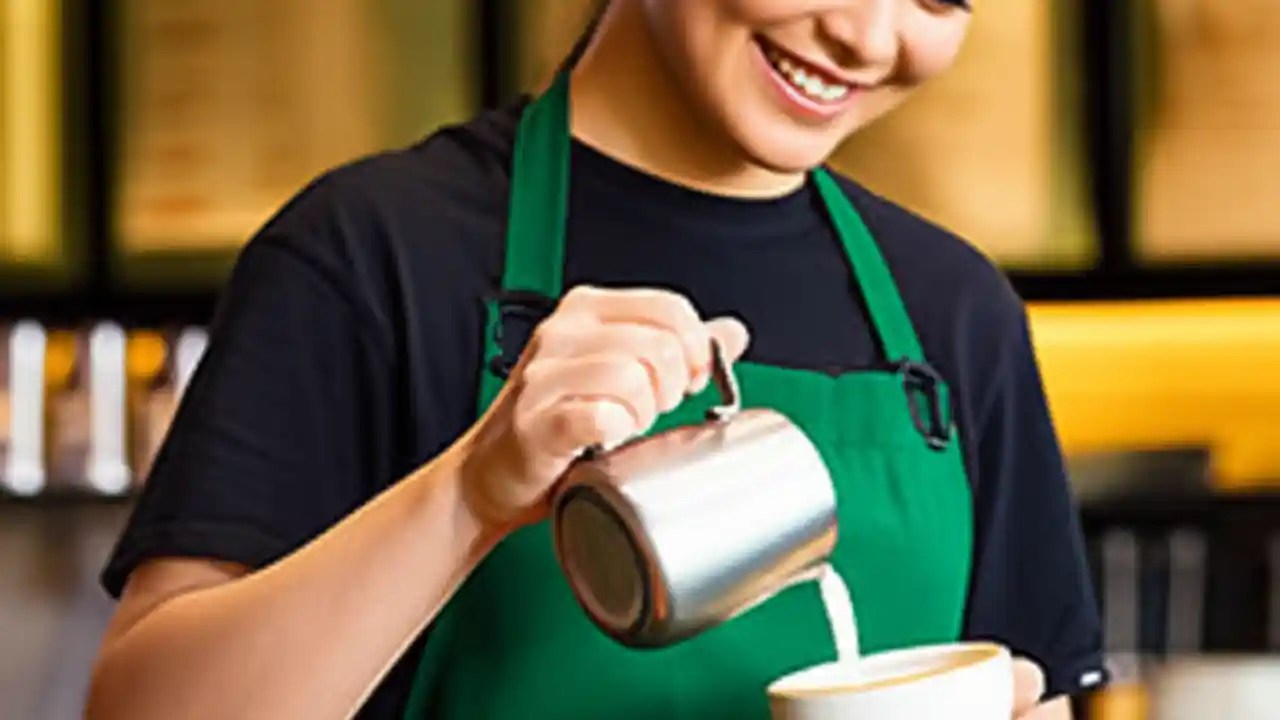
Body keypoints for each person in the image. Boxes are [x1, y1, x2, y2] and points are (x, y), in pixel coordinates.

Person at [87, 1, 1106, 718]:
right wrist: (469, 491)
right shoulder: (372, 255)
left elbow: (1037, 696)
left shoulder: (955, 314)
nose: (867, 34)